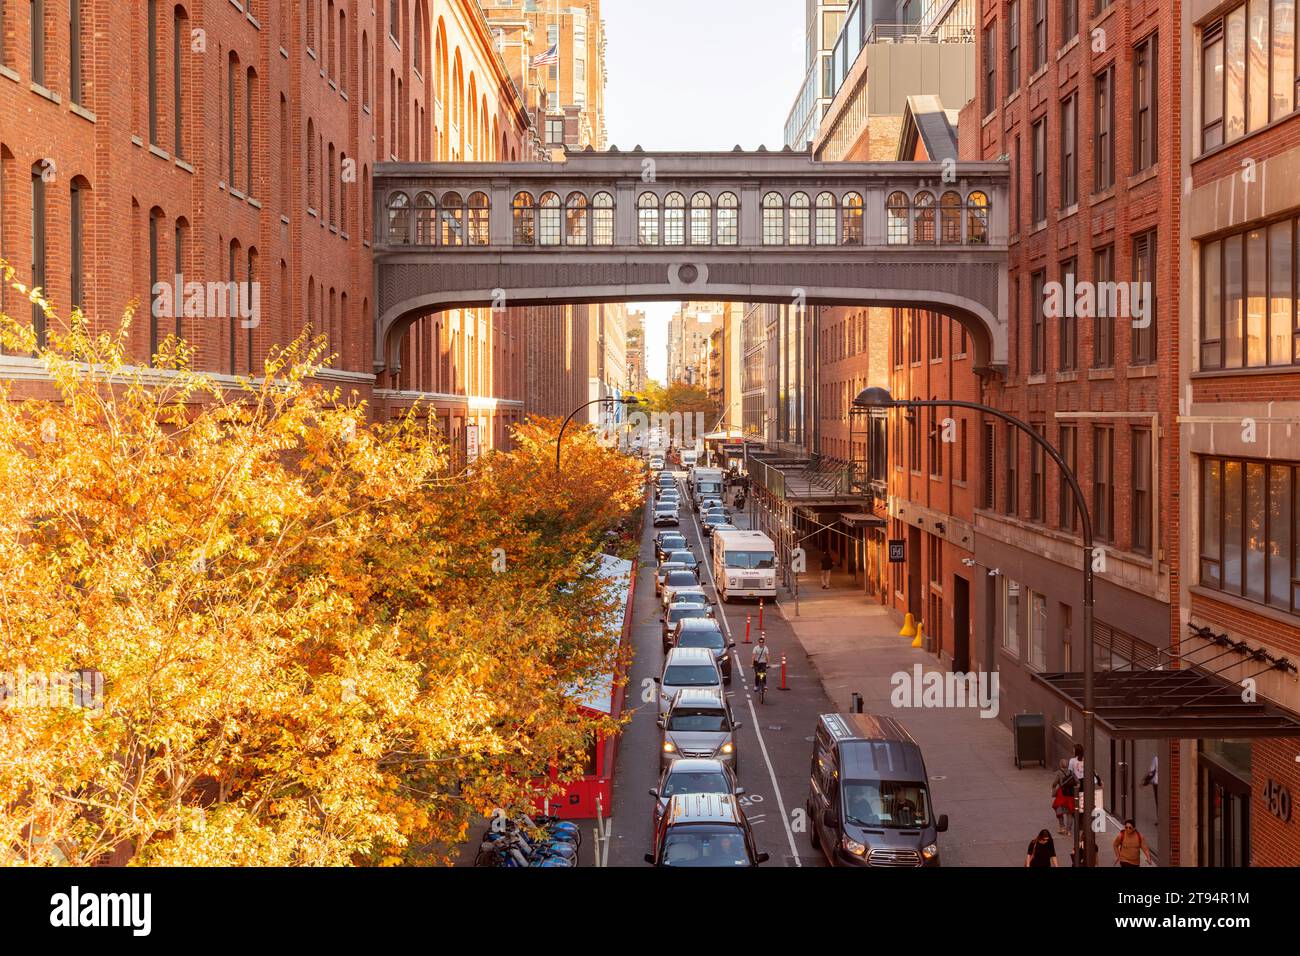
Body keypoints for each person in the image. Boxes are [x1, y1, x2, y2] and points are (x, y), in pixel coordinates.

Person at [1051, 759, 1075, 835]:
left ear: (1060, 765)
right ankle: (1069, 831)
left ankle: (1062, 827)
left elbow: (1054, 783)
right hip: (1070, 796)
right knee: (1069, 813)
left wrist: (1053, 787)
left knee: (1059, 809)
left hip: (1062, 795)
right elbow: (1077, 782)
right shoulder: (1072, 773)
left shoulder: (1059, 773)